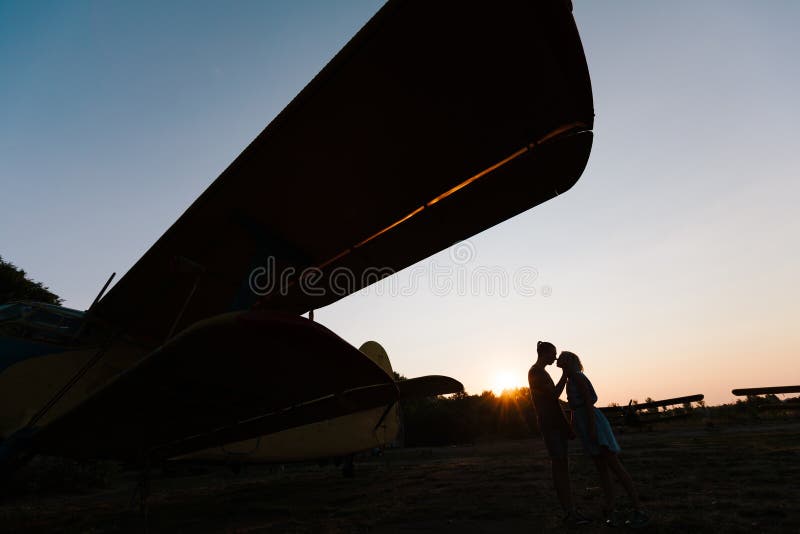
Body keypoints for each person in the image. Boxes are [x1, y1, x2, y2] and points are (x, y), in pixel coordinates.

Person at [557, 351, 650, 528]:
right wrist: (573, 427)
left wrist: (592, 428)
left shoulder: (577, 377)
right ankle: (611, 509)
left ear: (568, 360)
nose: (557, 359)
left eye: (561, 357)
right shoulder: (570, 379)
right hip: (584, 422)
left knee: (615, 466)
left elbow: (587, 403)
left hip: (593, 423)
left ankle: (639, 510)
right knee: (601, 470)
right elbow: (574, 407)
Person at [528, 341, 589, 526]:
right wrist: (564, 374)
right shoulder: (536, 372)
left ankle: (570, 510)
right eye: (552, 354)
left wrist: (566, 425)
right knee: (560, 467)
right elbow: (554, 395)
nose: (555, 358)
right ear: (544, 353)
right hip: (550, 425)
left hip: (554, 424)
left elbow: (553, 400)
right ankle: (569, 513)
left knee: (562, 467)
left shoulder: (540, 372)